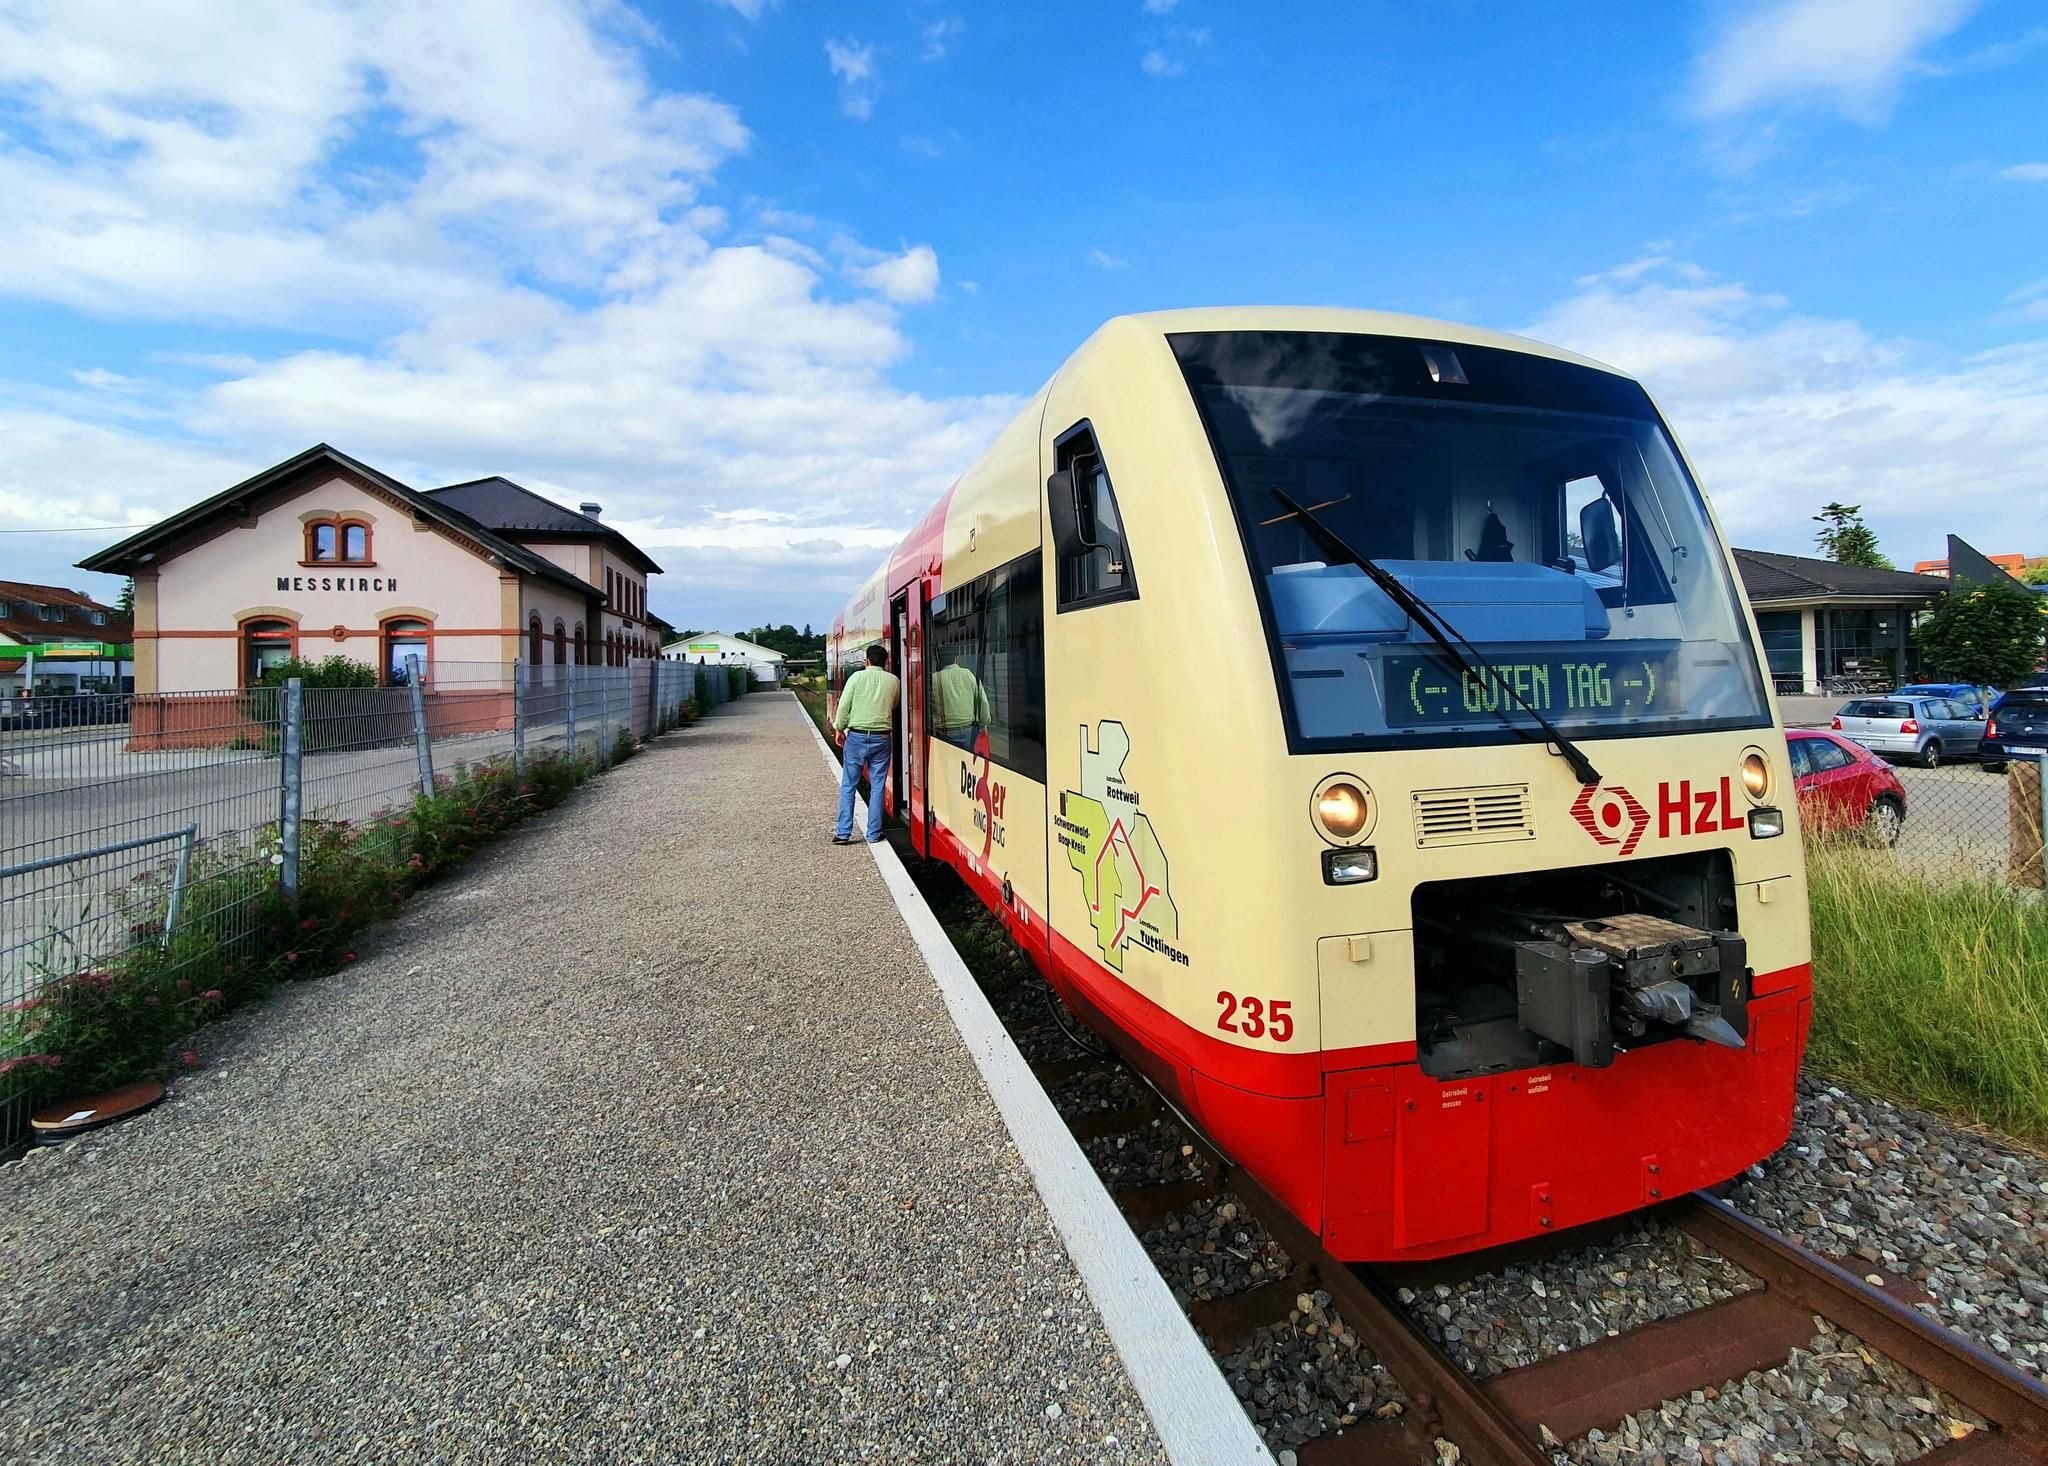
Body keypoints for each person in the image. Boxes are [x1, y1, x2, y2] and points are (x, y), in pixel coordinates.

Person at [832, 643, 899, 844]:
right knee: (878, 786)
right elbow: (894, 704)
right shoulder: (893, 681)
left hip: (857, 737)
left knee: (849, 785)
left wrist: (838, 728)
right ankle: (873, 834)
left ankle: (843, 833)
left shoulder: (856, 678)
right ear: (885, 661)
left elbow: (844, 706)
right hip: (882, 738)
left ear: (866, 661)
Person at [931, 646, 991, 751]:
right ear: (956, 659)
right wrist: (984, 723)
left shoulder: (934, 679)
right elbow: (982, 701)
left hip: (944, 732)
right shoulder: (968, 674)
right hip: (969, 730)